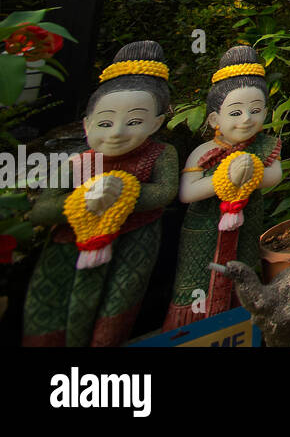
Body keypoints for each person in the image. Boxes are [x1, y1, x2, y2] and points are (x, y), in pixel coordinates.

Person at [23, 41, 178, 347]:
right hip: (69, 246)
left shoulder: (161, 153)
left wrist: (122, 193)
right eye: (105, 123)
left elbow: (165, 193)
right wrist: (85, 201)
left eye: (134, 122)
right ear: (86, 125)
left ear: (157, 122)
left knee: (114, 314)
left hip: (134, 243)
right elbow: (41, 211)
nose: (117, 132)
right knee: (50, 319)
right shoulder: (79, 162)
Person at [163, 46, 282, 329]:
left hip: (248, 222)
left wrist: (249, 172)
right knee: (198, 281)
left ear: (266, 111)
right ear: (215, 119)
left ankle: (241, 326)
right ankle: (193, 329)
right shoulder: (206, 152)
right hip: (205, 229)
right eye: (236, 112)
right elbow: (186, 192)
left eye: (255, 111)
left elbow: (274, 176)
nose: (246, 119)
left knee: (245, 272)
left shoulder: (265, 146)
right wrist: (224, 179)